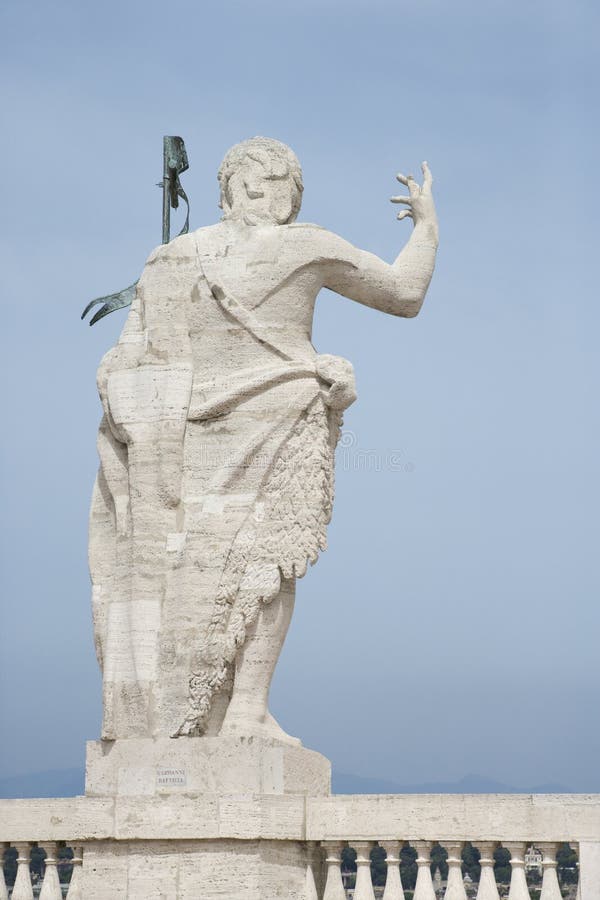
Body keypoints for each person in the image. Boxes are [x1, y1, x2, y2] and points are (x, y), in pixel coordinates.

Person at [89, 136, 438, 742]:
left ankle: (195, 715)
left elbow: (127, 361)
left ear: (229, 187)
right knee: (269, 562)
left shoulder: (170, 258)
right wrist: (427, 225)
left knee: (192, 572)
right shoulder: (304, 244)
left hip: (182, 436)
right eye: (279, 184)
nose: (277, 195)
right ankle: (243, 710)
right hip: (279, 417)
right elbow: (405, 294)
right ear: (263, 190)